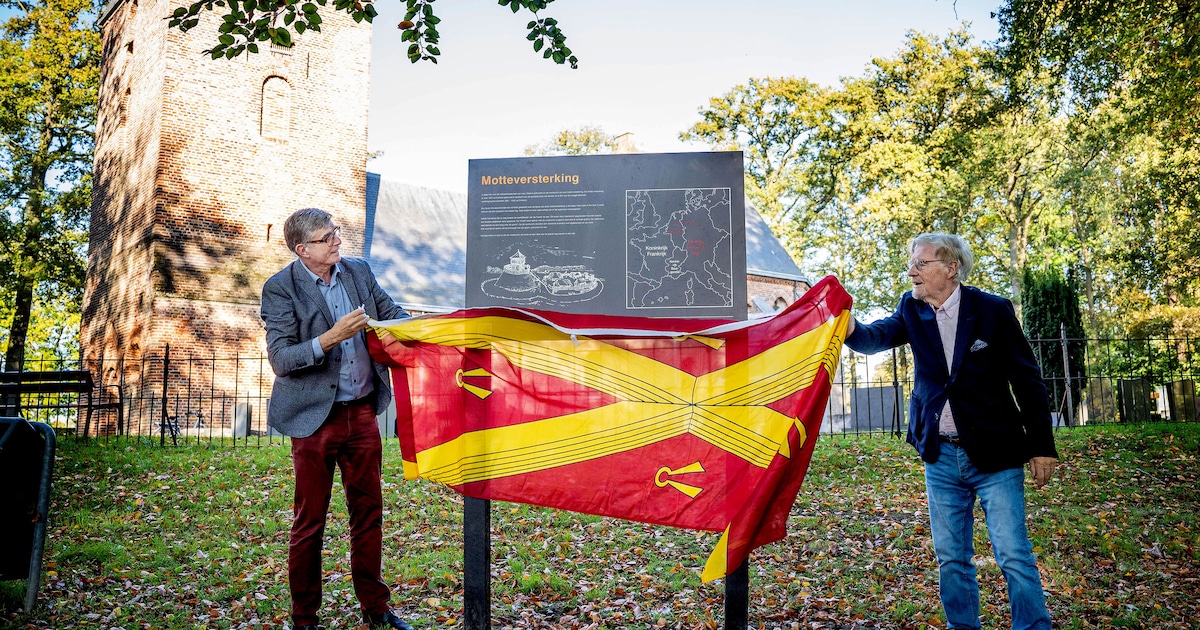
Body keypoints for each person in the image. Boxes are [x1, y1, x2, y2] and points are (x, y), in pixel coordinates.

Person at [844, 232, 1058, 630]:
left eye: (921, 264)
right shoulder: (912, 307)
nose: (911, 272)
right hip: (940, 455)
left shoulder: (992, 310)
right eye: (912, 264)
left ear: (950, 268)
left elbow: (1027, 381)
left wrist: (1041, 446)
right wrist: (844, 320)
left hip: (996, 453)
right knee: (951, 557)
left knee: (1012, 552)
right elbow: (874, 338)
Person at [261, 208, 414, 630]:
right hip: (314, 420)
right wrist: (331, 338)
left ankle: (376, 608)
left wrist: (437, 331)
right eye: (327, 237)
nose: (337, 241)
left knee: (369, 512)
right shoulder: (280, 288)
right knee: (310, 519)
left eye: (336, 233)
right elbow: (281, 359)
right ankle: (305, 617)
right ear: (302, 249)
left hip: (362, 413)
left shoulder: (358, 272)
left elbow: (394, 314)